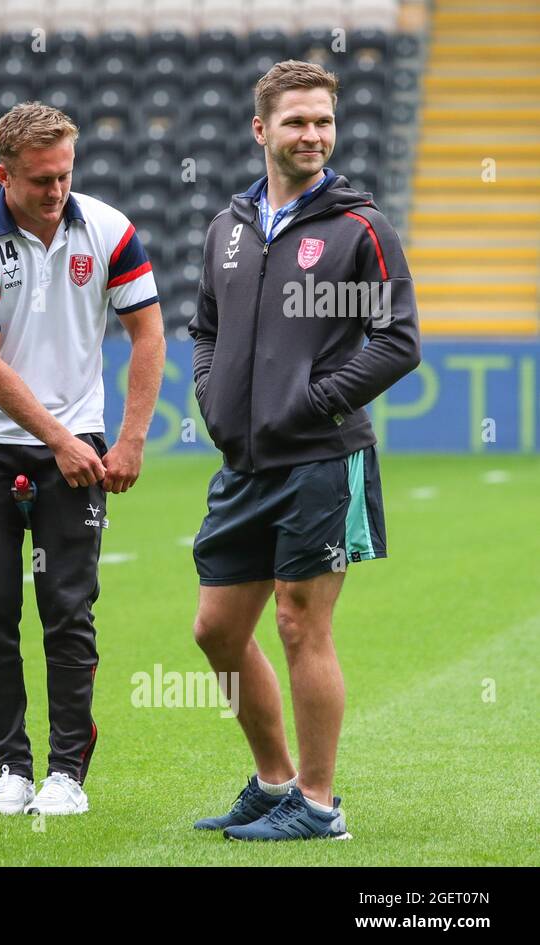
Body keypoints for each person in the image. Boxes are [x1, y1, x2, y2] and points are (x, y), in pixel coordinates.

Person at [188, 61, 421, 840]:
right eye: (296, 121)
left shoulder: (359, 228)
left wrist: (314, 402)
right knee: (216, 630)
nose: (312, 134)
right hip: (243, 461)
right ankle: (272, 781)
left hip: (324, 459)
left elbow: (399, 342)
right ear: (262, 130)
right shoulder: (229, 228)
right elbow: (207, 330)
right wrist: (213, 398)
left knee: (298, 623)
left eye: (323, 120)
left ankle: (318, 806)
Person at [0, 103, 165, 816]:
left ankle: (67, 774)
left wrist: (126, 439)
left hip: (80, 448)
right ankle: (12, 769)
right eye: (40, 179)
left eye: (65, 175)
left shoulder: (109, 229)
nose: (56, 190)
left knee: (69, 611)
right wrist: (60, 440)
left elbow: (148, 334)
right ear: (3, 174)